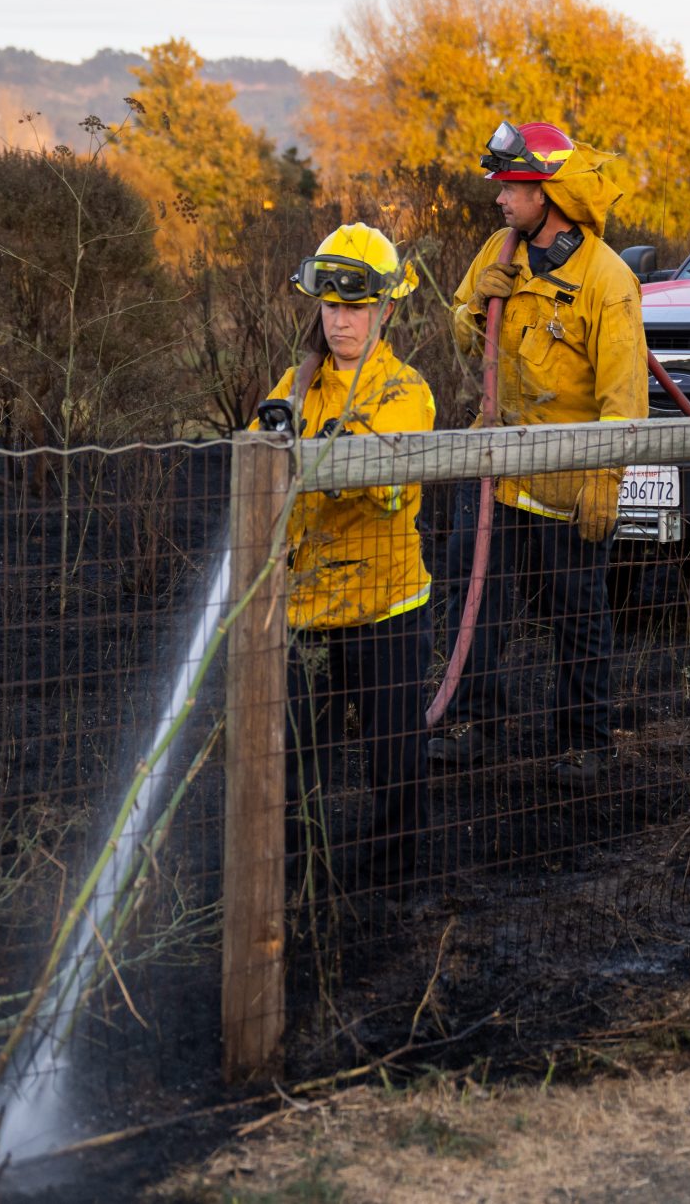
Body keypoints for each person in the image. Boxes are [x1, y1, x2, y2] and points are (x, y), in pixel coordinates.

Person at [429, 121, 646, 792]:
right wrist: (473, 311)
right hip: (495, 473)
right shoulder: (501, 251)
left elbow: (624, 395)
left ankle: (586, 742)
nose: (499, 197)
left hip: (566, 483)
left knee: (578, 613)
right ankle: (472, 728)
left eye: (512, 186)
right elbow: (465, 334)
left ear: (546, 192)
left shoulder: (607, 280)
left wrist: (606, 476)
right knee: (476, 606)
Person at [255, 223, 437, 891]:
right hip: (309, 604)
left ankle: (393, 882)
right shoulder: (298, 384)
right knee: (297, 756)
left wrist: (335, 455)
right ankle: (296, 876)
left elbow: (392, 486)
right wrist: (271, 434)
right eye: (331, 306)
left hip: (386, 604)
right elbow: (256, 455)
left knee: (393, 755)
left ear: (384, 309)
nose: (341, 321)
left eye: (355, 307)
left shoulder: (404, 390)